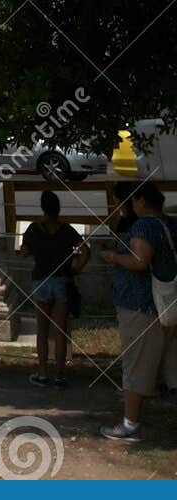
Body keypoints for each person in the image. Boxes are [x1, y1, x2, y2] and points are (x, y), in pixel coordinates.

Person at [99, 181, 177, 442]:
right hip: (166, 306)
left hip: (142, 307)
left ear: (141, 201)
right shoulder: (171, 224)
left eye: (132, 202)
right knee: (169, 364)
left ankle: (130, 425)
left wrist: (113, 257)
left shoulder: (144, 226)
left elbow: (139, 261)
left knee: (135, 366)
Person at [19, 189, 88, 386]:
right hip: (61, 280)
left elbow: (24, 251)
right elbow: (85, 251)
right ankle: (60, 374)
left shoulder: (33, 229)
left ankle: (42, 372)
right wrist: (76, 270)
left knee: (41, 330)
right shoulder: (66, 230)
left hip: (41, 279)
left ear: (42, 208)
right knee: (60, 330)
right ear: (58, 209)